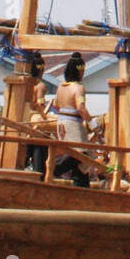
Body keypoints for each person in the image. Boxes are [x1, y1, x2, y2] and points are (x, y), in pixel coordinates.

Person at [52, 53, 93, 188]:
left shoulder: (60, 87)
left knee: (77, 155)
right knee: (81, 154)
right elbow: (81, 108)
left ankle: (81, 184)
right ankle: (54, 169)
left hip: (61, 121)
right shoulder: (78, 88)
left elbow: (56, 105)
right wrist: (93, 124)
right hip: (73, 123)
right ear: (79, 71)